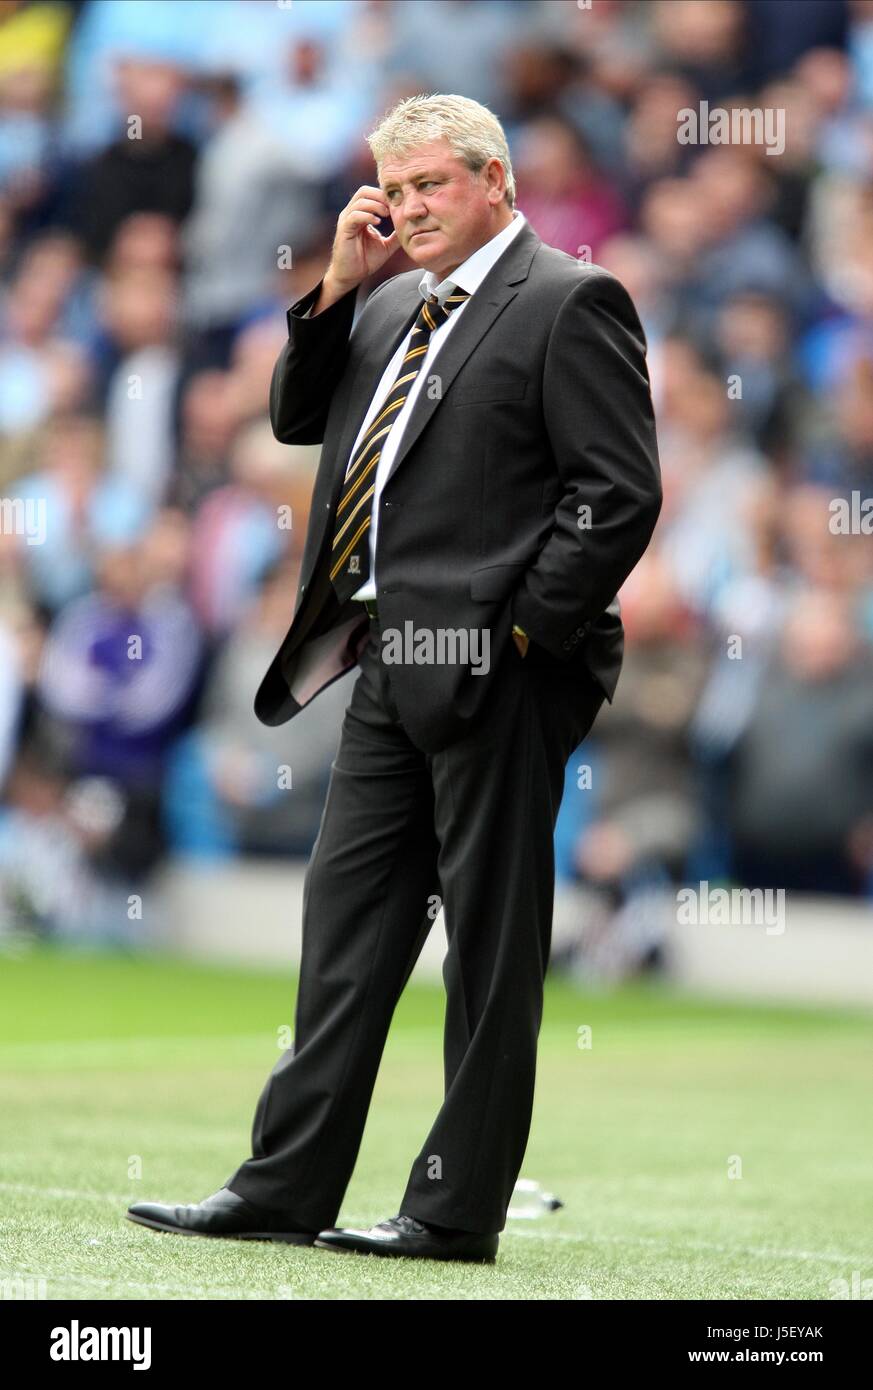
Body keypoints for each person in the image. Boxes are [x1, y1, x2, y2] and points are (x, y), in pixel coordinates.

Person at [127, 93, 661, 1263]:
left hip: (500, 671)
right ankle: (284, 1185)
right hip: (382, 665)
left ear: (496, 182)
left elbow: (616, 495)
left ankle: (452, 1210)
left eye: (432, 186)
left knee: (488, 946)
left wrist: (517, 636)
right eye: (396, 187)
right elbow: (292, 413)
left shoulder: (571, 301)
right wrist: (332, 287)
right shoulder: (380, 304)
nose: (409, 207)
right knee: (347, 929)